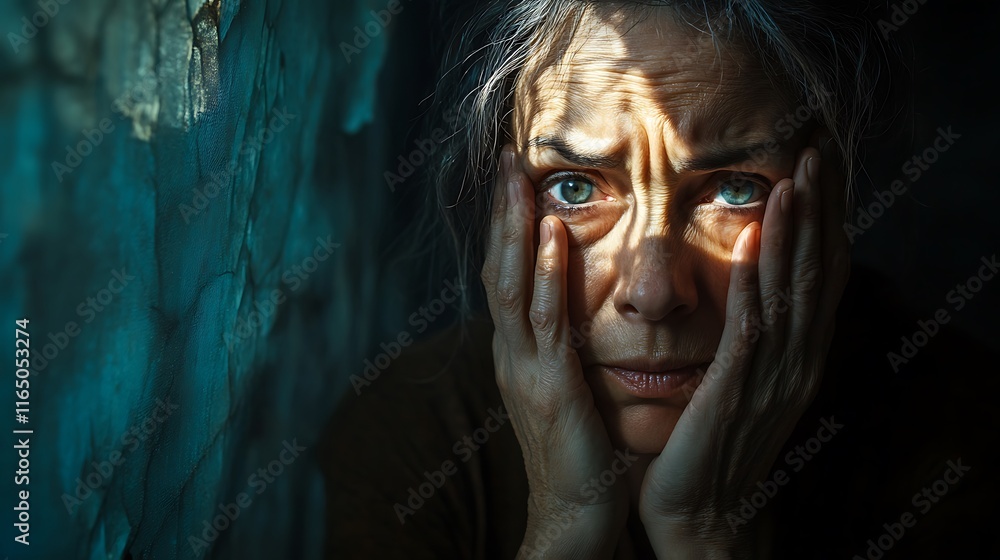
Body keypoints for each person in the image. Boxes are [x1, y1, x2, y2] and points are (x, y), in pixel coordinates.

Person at [321, 1, 998, 558]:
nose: (652, 292)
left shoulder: (956, 437)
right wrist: (564, 528)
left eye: (735, 189)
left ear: (829, 201)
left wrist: (703, 537)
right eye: (576, 185)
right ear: (504, 207)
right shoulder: (412, 441)